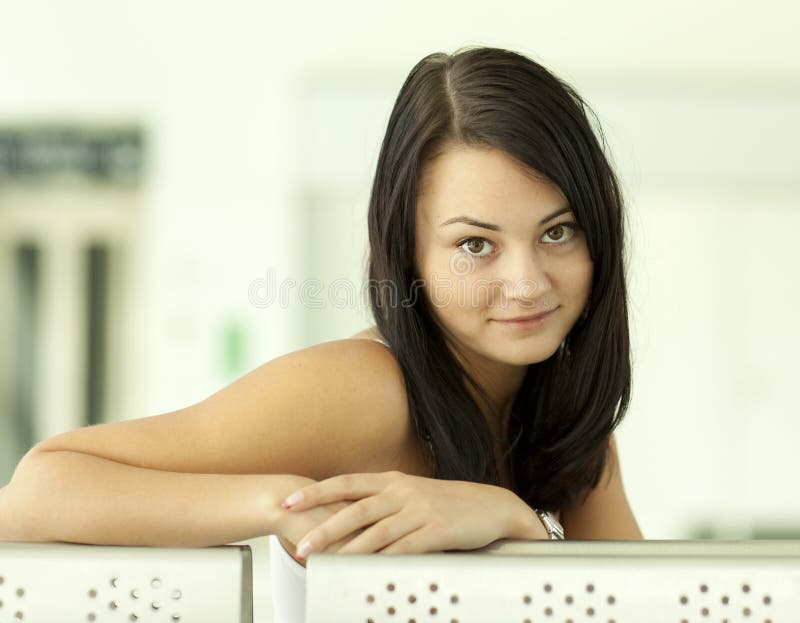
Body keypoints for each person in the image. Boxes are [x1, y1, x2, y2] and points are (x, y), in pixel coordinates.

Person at [0, 46, 643, 623]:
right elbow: (36, 491)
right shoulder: (364, 389)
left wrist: (514, 523)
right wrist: (281, 501)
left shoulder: (564, 408)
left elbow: (640, 607)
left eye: (557, 232)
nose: (528, 283)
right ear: (406, 252)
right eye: (476, 244)